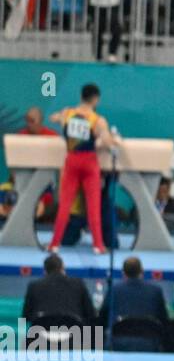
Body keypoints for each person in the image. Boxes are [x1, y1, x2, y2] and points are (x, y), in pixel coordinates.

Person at [48, 84, 120, 255]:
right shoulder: (98, 120)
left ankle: (54, 244)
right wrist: (114, 140)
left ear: (81, 96)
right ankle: (98, 246)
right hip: (89, 163)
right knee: (93, 206)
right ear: (96, 99)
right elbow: (108, 142)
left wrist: (60, 117)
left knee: (65, 205)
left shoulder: (67, 114)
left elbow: (52, 117)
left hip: (71, 161)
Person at [108, 257, 173, 350]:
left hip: (120, 343)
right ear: (142, 272)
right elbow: (164, 319)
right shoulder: (155, 291)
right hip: (149, 342)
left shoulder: (114, 290)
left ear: (123, 273)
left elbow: (103, 317)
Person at [21, 254, 97, 328]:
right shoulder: (79, 284)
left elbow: (25, 317)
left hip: (41, 334)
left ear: (45, 271)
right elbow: (90, 314)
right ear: (63, 269)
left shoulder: (34, 286)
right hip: (73, 333)